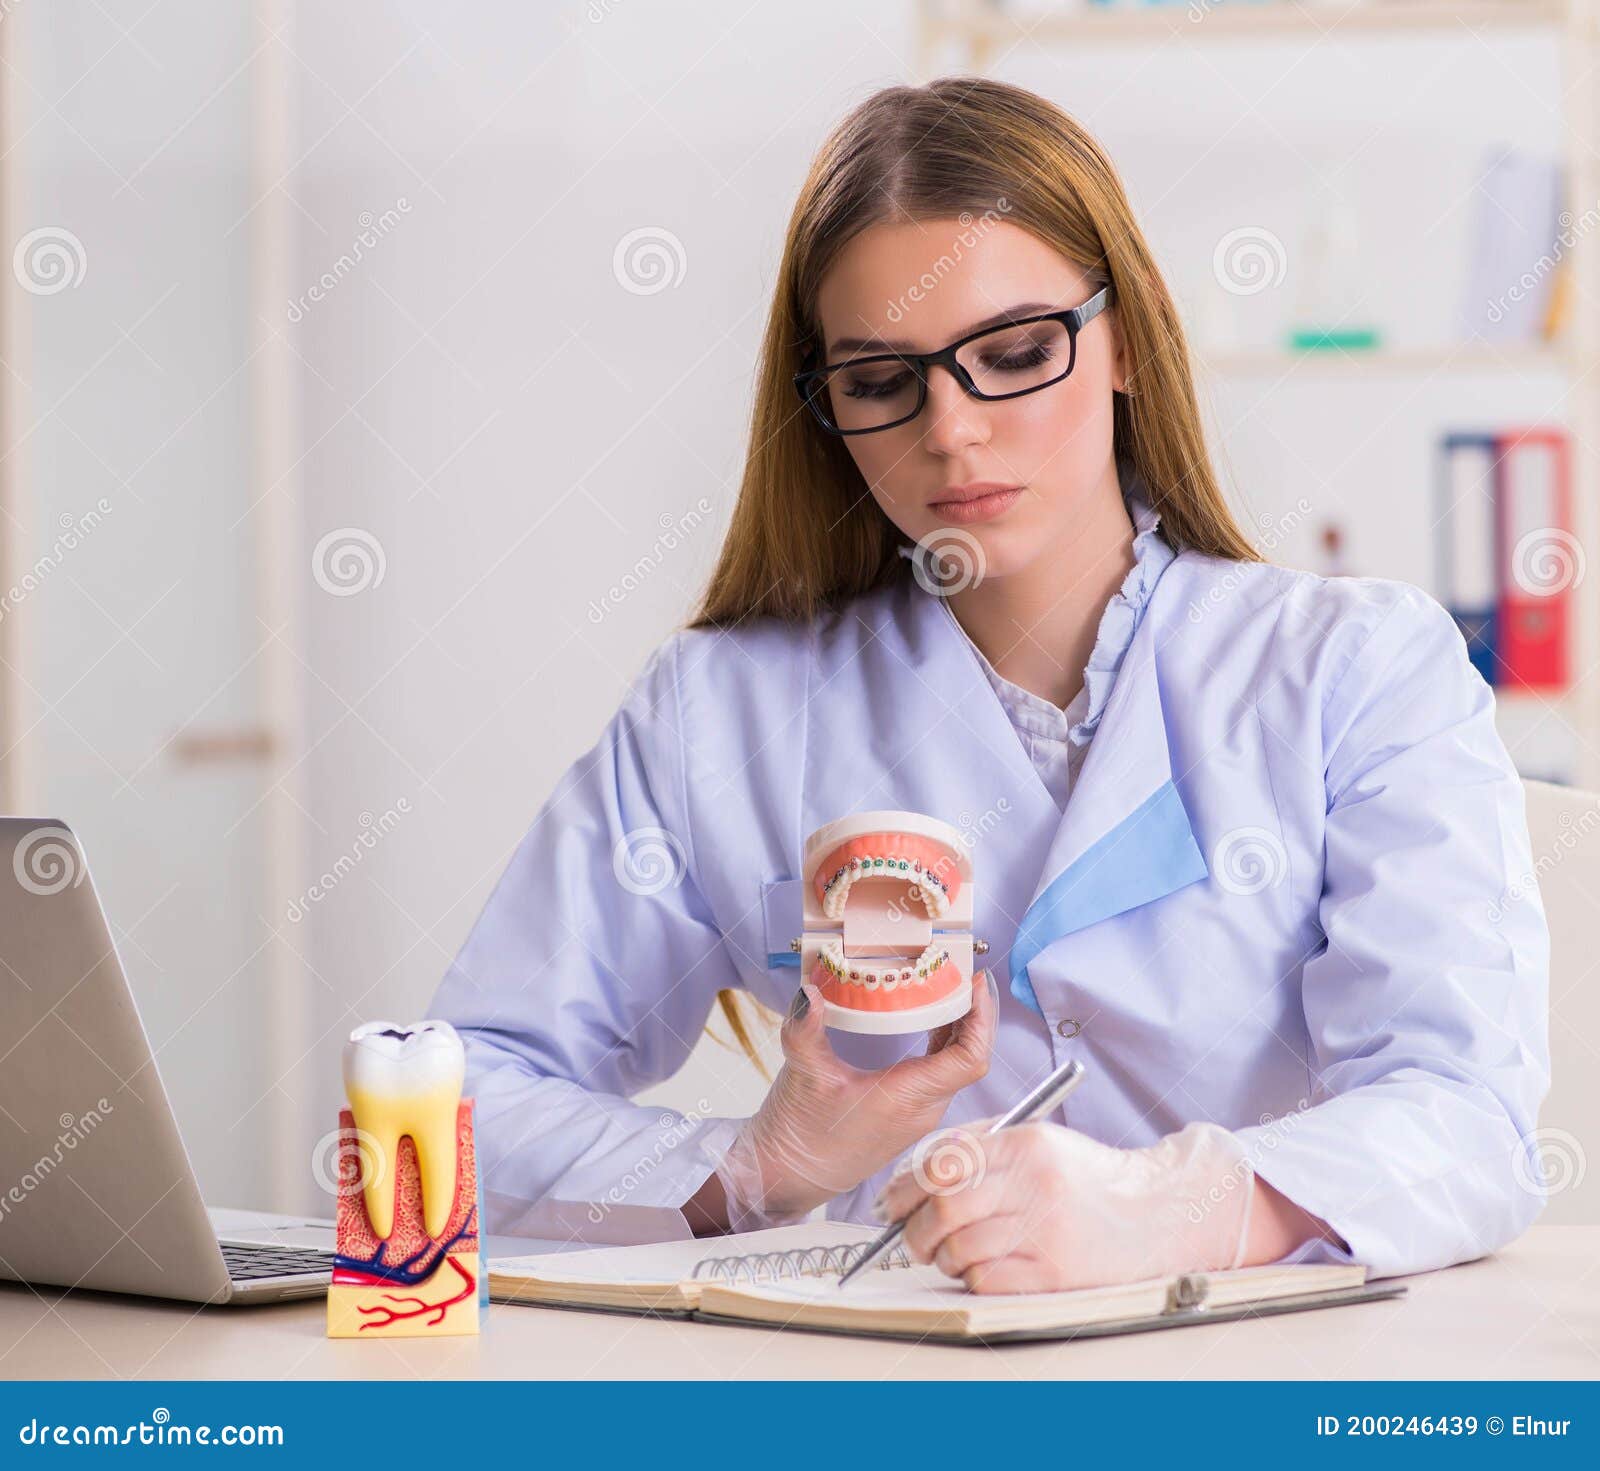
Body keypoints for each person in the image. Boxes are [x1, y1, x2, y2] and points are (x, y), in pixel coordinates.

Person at [430, 77, 1549, 1293]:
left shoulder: (1353, 667)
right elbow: (448, 1109)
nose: (950, 430)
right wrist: (753, 1168)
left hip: (1243, 1380)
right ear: (826, 409)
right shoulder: (723, 709)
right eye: (877, 380)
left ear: (1125, 343)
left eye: (1013, 353)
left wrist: (1172, 1210)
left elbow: (1465, 1114)